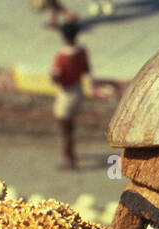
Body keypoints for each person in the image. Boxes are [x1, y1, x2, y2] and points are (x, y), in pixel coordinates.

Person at [51, 21, 93, 170]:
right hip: (78, 89)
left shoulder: (61, 56)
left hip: (66, 93)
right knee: (69, 126)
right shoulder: (82, 51)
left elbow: (55, 77)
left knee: (65, 128)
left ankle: (70, 158)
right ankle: (70, 154)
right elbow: (87, 69)